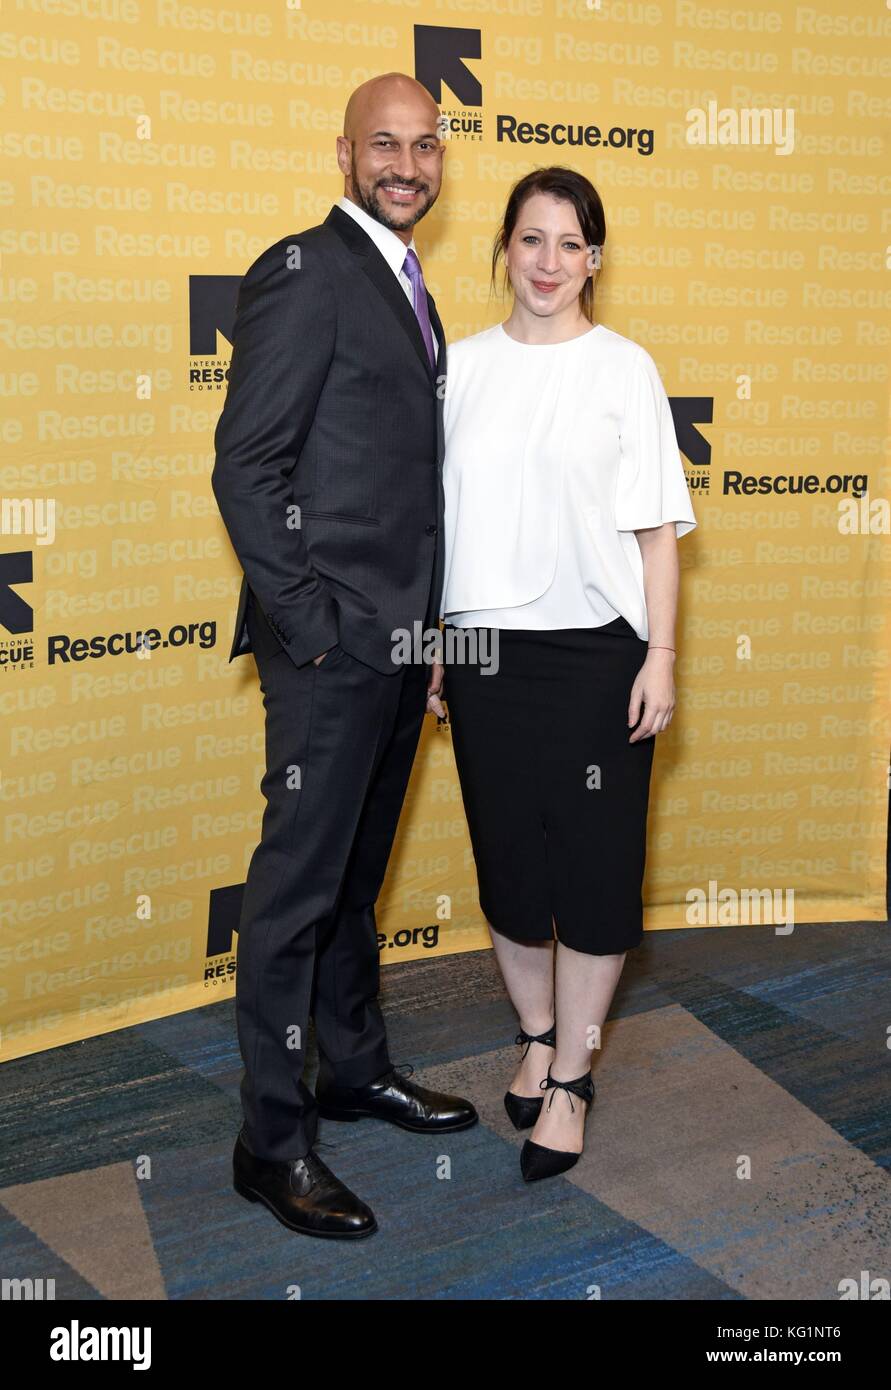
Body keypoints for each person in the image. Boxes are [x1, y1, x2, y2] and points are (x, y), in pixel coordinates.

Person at [212, 73, 477, 1241]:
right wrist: (315, 632)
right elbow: (246, 467)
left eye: (425, 146)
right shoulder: (305, 272)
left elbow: (401, 489)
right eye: (385, 144)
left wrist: (424, 639)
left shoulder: (411, 286)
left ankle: (351, 1067)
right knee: (292, 899)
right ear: (344, 153)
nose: (406, 164)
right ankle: (273, 1144)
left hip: (397, 641)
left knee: (354, 887)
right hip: (329, 651)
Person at [426, 166, 697, 1183]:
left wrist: (661, 655)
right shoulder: (458, 368)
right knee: (509, 868)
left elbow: (658, 537)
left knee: (591, 873)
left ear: (596, 258)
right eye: (530, 240)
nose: (548, 263)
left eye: (569, 243)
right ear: (503, 248)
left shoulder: (626, 369)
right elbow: (436, 530)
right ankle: (537, 1033)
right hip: (486, 651)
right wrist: (438, 646)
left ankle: (574, 1079)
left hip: (597, 656)